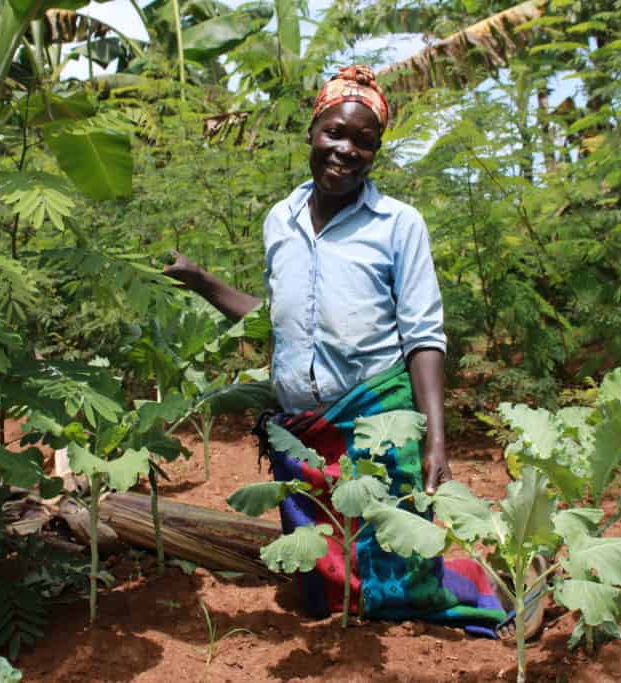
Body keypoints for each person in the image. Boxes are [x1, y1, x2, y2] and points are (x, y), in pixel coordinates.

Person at [165, 65, 529, 637]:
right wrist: (202, 281)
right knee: (324, 591)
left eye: (365, 141)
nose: (346, 150)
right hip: (303, 435)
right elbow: (275, 320)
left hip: (377, 425)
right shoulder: (279, 220)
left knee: (398, 577)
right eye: (336, 132)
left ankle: (485, 596)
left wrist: (437, 436)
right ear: (313, 131)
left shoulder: (397, 224)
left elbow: (424, 336)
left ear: (376, 152)